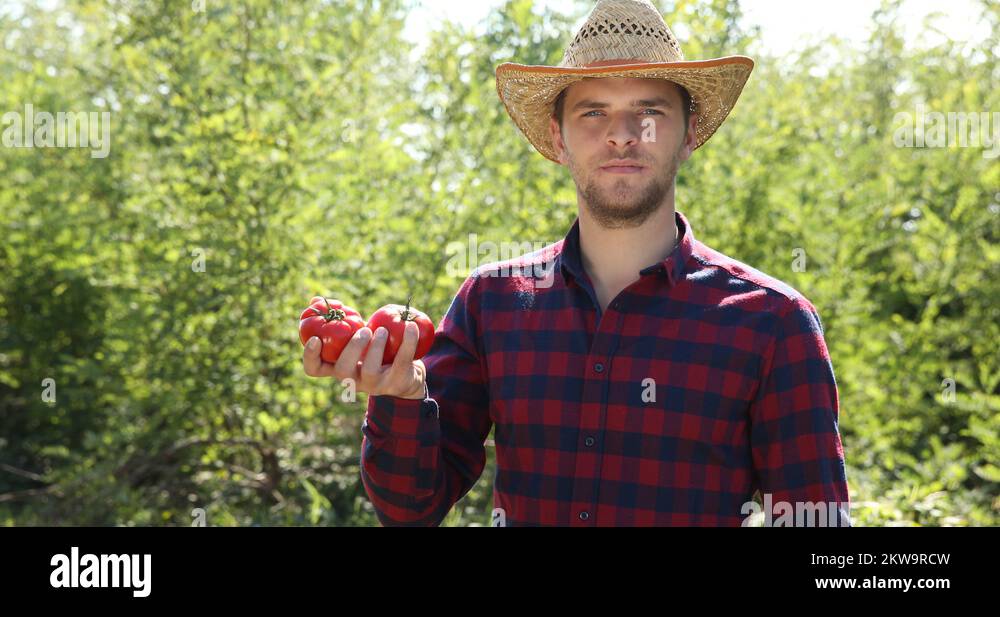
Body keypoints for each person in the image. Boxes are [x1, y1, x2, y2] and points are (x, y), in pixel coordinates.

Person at [303, 0, 849, 527]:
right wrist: (400, 399)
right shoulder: (490, 303)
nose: (622, 134)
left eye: (650, 112)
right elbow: (409, 509)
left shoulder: (773, 322)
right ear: (559, 138)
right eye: (594, 112)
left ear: (688, 135)